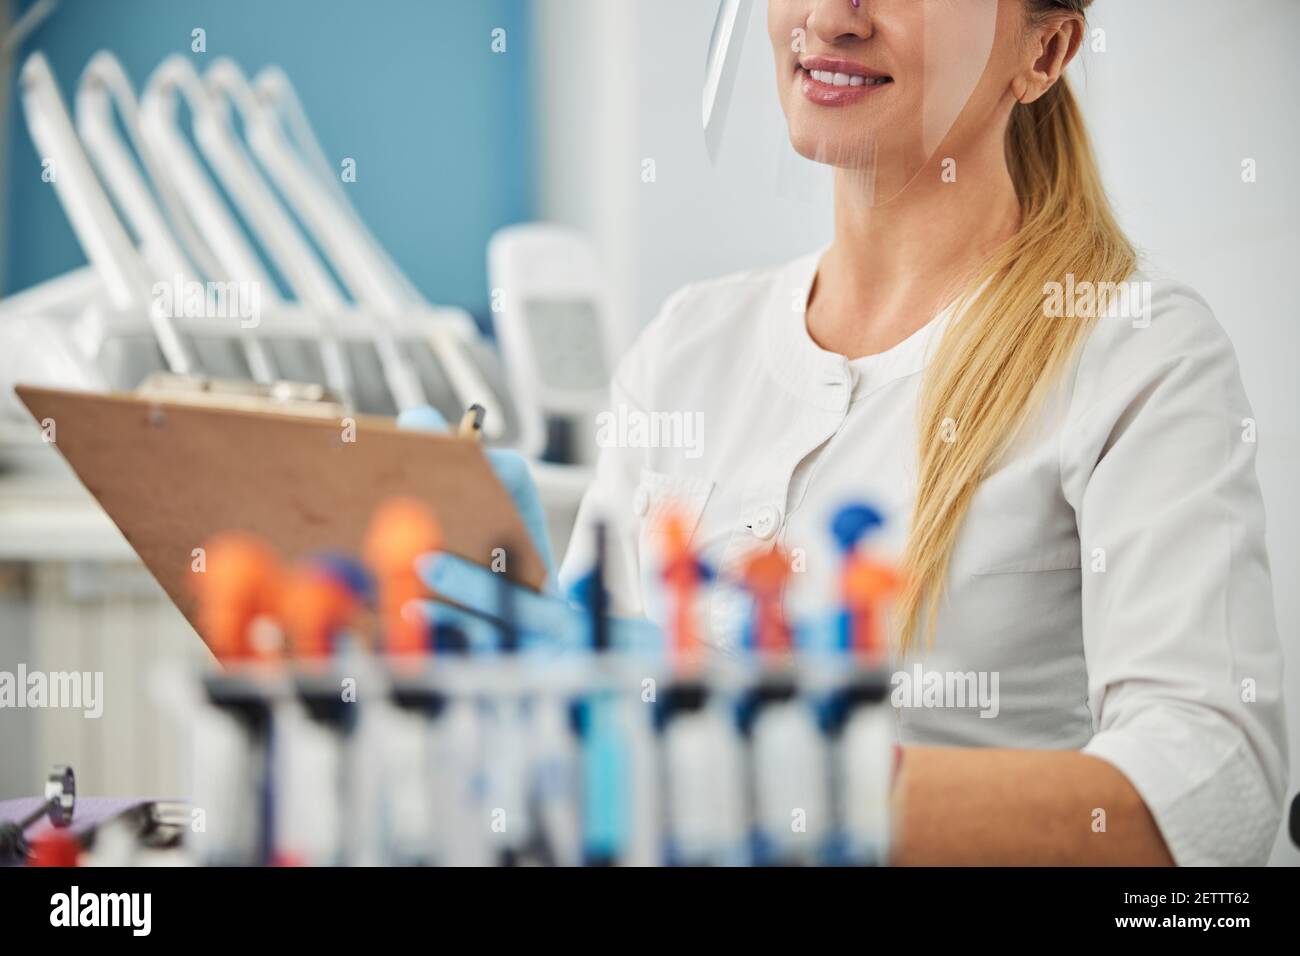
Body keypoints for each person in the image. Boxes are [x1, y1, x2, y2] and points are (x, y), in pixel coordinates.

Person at [419, 0, 1287, 865]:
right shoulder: (685, 345)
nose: (833, 15)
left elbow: (1217, 786)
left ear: (1045, 50)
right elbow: (587, 760)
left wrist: (785, 781)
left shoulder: (1133, 348)